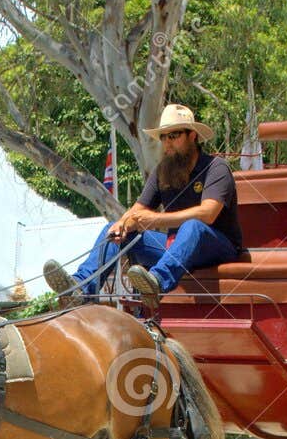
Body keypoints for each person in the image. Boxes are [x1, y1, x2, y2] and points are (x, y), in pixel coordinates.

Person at [43, 103, 242, 314]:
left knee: (193, 226)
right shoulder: (163, 171)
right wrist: (123, 224)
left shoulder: (216, 168)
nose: (167, 143)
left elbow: (207, 214)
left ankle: (155, 282)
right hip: (176, 247)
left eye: (173, 136)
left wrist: (155, 220)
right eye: (163, 137)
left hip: (217, 247)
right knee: (114, 227)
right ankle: (81, 288)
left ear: (192, 135)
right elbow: (138, 210)